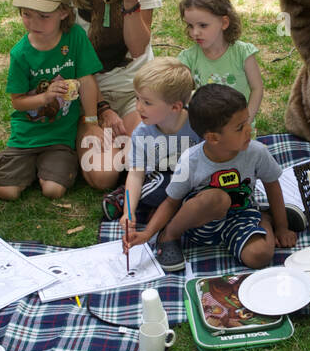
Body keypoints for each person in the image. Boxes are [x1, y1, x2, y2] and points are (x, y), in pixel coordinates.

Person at [124, 84, 297, 271]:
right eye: (240, 127)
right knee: (217, 198)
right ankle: (168, 236)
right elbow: (171, 202)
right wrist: (148, 233)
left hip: (241, 217)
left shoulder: (256, 152)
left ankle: (265, 218)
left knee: (260, 256)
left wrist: (282, 227)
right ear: (213, 138)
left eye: (247, 122)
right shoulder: (190, 160)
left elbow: (272, 185)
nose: (249, 129)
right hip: (200, 224)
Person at [62, 0, 162, 189]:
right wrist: (101, 109)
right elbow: (72, 62)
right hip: (89, 94)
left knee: (151, 156)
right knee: (103, 176)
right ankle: (104, 142)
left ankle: (121, 148)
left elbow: (138, 48)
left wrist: (130, 5)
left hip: (136, 87)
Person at [0, 0, 103, 202]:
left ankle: (46, 170)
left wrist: (92, 121)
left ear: (64, 12)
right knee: (6, 193)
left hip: (59, 137)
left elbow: (86, 80)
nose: (33, 23)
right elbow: (17, 101)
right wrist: (44, 98)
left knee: (53, 190)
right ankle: (27, 165)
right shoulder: (20, 54)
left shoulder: (75, 38)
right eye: (26, 14)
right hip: (26, 136)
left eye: (43, 16)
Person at [101, 57, 200, 226]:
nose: (138, 107)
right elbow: (136, 174)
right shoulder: (142, 133)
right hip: (155, 177)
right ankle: (126, 200)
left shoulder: (198, 124)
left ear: (175, 107)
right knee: (161, 187)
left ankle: (136, 202)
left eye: (147, 102)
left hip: (190, 179)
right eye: (137, 98)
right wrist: (129, 214)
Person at [177, 0, 263, 123]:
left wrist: (246, 121)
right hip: (207, 129)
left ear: (224, 23)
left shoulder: (243, 53)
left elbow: (257, 88)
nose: (195, 32)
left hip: (239, 128)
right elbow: (179, 93)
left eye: (203, 25)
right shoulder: (188, 58)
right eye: (190, 26)